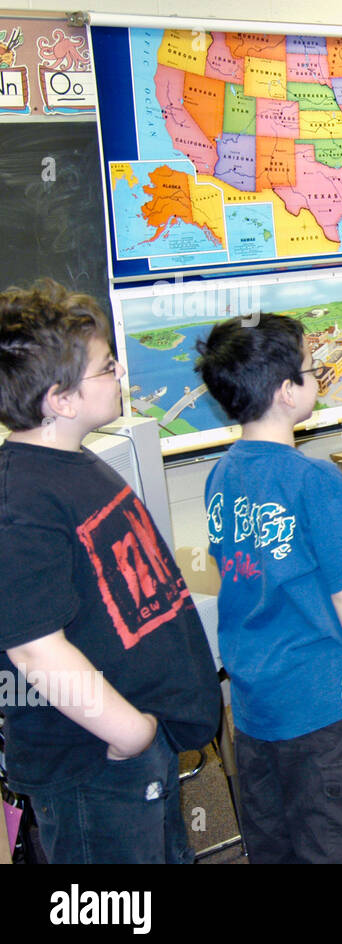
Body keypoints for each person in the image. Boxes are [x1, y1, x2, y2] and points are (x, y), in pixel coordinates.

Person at [0, 280, 221, 864]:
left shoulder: (74, 460)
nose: (121, 372)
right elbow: (33, 652)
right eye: (106, 367)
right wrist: (131, 733)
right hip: (94, 761)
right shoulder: (21, 498)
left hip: (134, 749)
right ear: (61, 398)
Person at [196, 313, 342, 863]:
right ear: (287, 391)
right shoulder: (316, 479)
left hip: (255, 706)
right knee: (335, 841)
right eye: (311, 368)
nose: (317, 377)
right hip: (325, 705)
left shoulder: (221, 475)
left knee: (274, 843)